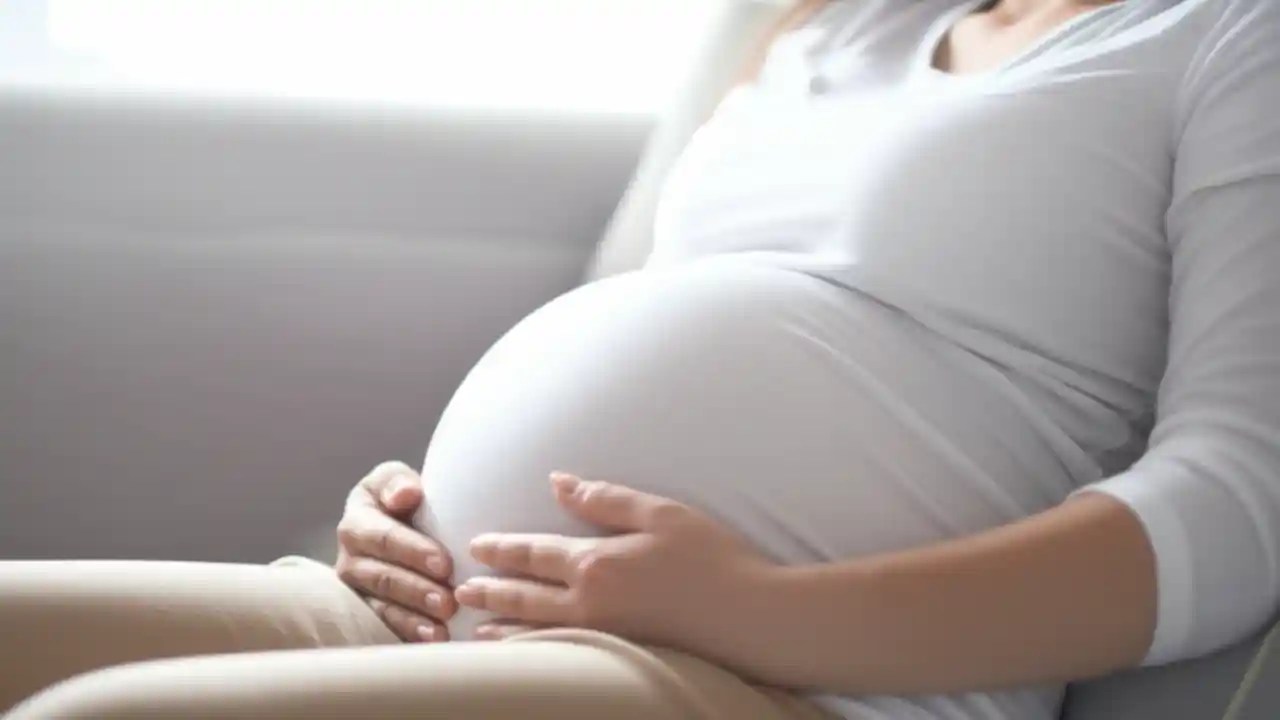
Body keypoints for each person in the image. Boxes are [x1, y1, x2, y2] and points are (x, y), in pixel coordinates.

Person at [3, 1, 1278, 718]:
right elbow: (640, 349)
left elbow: (1239, 509)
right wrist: (406, 510)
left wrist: (751, 610)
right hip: (447, 612)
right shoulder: (832, 30)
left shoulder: (1224, 37)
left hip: (777, 686)